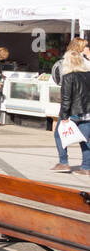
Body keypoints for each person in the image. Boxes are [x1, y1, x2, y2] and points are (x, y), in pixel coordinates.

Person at [53, 44, 90, 175]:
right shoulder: (88, 75)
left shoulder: (68, 77)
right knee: (85, 140)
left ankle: (63, 163)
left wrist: (63, 117)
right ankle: (86, 167)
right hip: (87, 114)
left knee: (58, 135)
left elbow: (66, 99)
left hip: (73, 113)